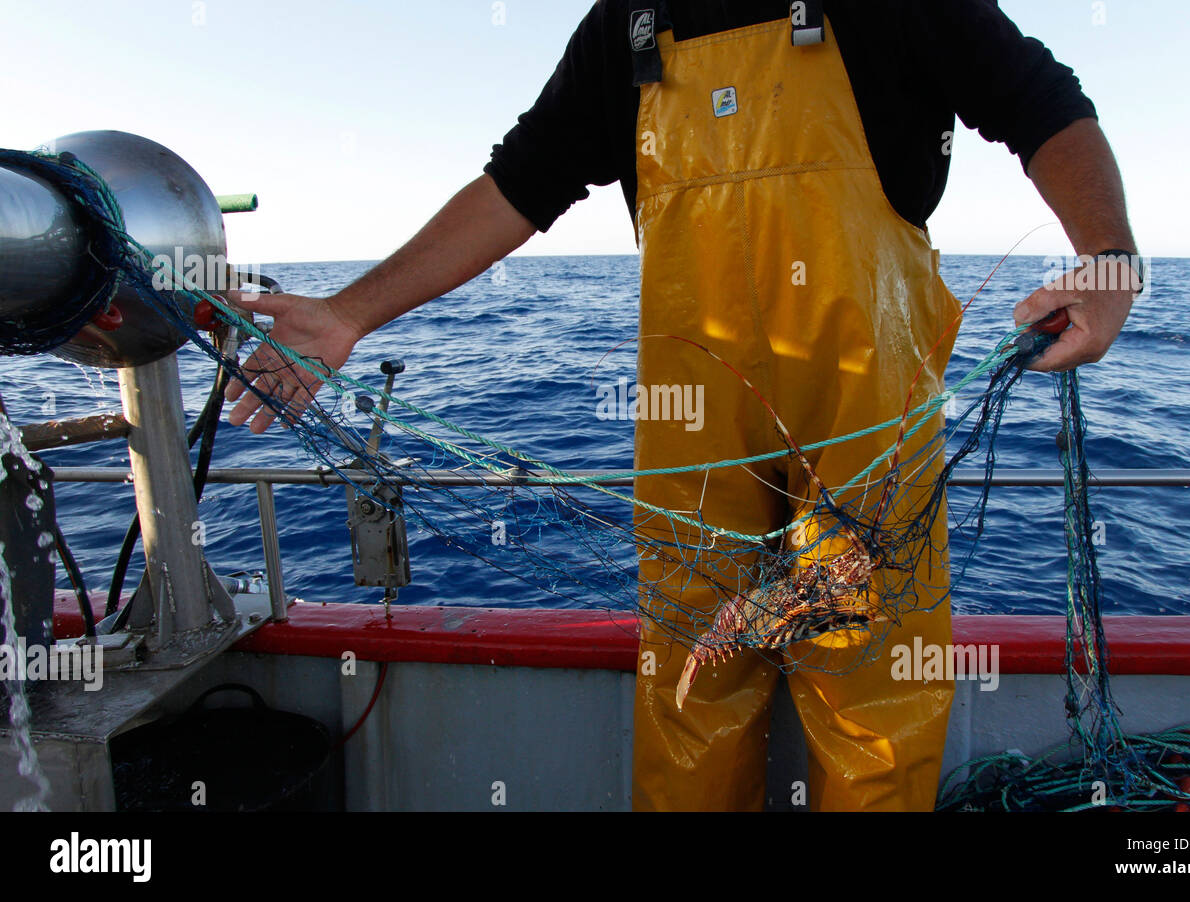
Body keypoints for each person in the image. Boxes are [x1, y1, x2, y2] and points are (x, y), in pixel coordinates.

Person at [225, 0, 1143, 811]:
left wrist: (1107, 256)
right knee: (691, 665)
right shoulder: (627, 20)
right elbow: (521, 182)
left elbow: (1040, 100)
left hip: (866, 401)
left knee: (871, 669)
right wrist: (351, 311)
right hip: (693, 409)